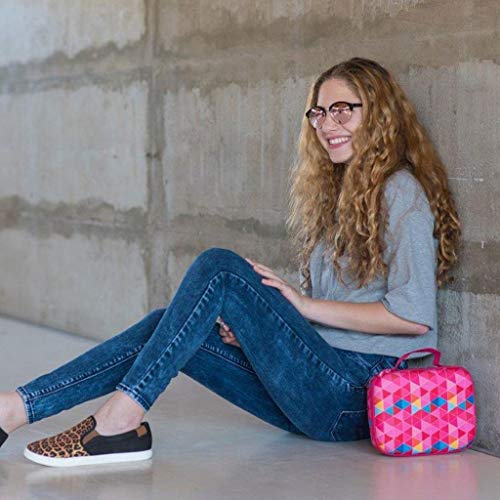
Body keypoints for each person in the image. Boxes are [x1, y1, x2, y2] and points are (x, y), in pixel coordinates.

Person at [0, 57, 461, 467]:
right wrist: (257, 335)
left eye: (343, 109)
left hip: (358, 396)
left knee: (220, 268)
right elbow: (333, 323)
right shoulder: (340, 197)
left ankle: (120, 418)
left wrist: (302, 307)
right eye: (319, 112)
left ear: (377, 114)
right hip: (319, 387)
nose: (326, 124)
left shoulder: (400, 191)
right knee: (168, 326)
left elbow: (413, 316)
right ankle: (14, 409)